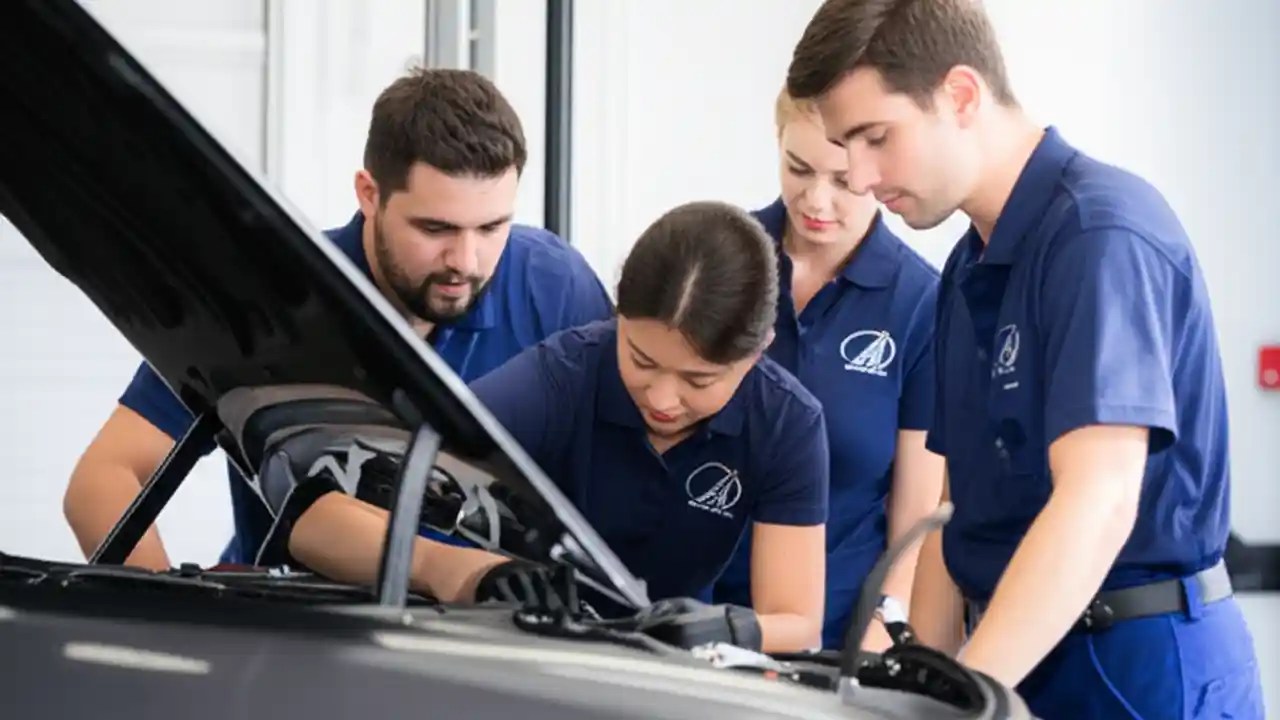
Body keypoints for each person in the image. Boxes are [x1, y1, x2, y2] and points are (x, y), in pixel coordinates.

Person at [784, 1, 1265, 718]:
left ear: (961, 96)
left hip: (1139, 667)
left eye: (875, 137)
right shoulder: (967, 268)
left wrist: (972, 691)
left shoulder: (1098, 235)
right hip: (1023, 658)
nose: (856, 174)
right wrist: (928, 687)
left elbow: (1097, 502)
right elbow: (957, 515)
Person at [63, 67, 614, 569]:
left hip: (500, 635)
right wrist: (177, 630)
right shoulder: (264, 297)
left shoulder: (554, 287)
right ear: (369, 194)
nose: (466, 263)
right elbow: (102, 481)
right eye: (435, 229)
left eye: (492, 227)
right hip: (299, 638)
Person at [285, 200, 830, 654]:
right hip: (528, 656)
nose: (663, 399)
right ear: (617, 315)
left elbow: (796, 618)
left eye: (699, 380)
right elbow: (316, 524)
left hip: (671, 677)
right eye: (640, 360)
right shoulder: (560, 379)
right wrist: (456, 570)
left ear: (758, 353)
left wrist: (731, 628)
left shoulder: (787, 424)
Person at [708, 86, 943, 652]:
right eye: (798, 168)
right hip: (695, 617)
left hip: (837, 639)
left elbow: (915, 516)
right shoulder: (717, 258)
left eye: (841, 181)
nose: (815, 201)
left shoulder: (921, 303)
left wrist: (884, 631)